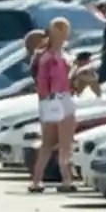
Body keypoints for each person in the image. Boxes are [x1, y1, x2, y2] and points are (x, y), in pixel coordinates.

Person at [29, 18, 77, 193]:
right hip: (61, 99)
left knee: (48, 144)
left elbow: (42, 84)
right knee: (64, 143)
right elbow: (60, 82)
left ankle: (37, 180)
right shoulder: (57, 57)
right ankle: (66, 179)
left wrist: (44, 100)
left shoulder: (45, 56)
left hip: (49, 100)